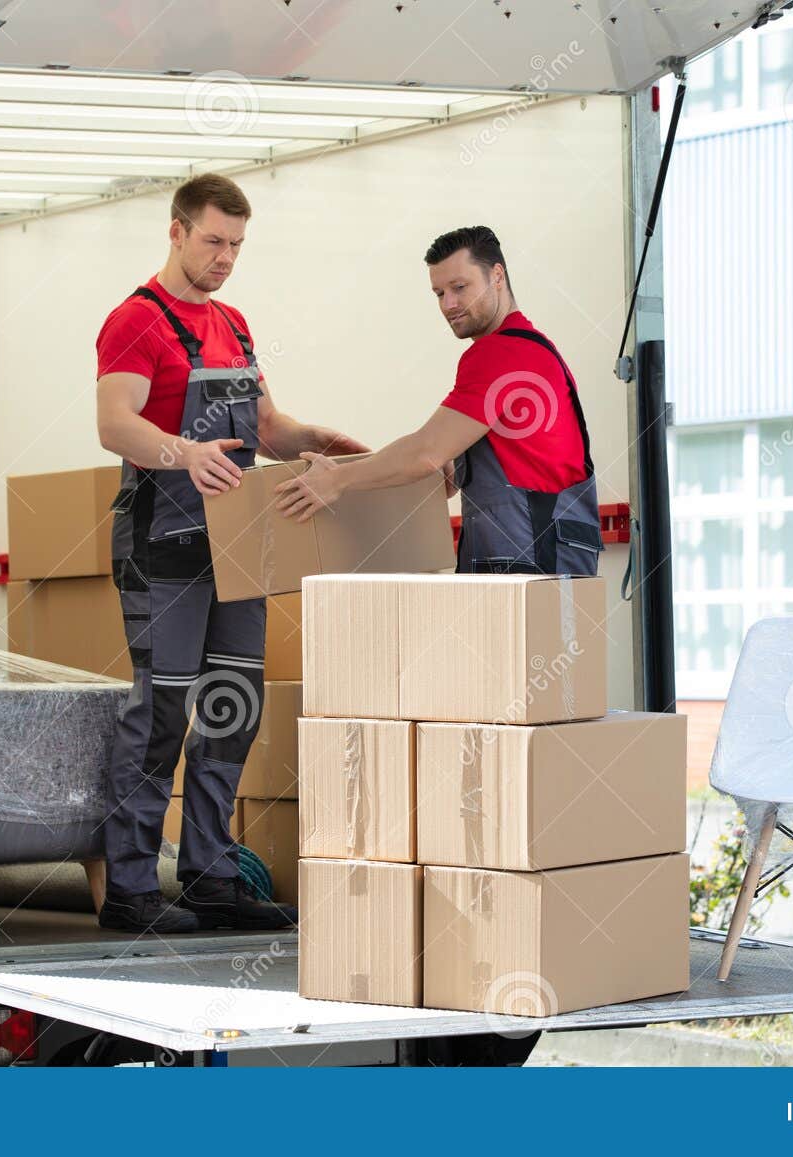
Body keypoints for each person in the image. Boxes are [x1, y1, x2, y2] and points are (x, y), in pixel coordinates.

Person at [94, 174, 367, 933]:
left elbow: (267, 427)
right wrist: (181, 452)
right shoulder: (134, 322)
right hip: (165, 543)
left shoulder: (235, 324)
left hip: (238, 546)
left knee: (232, 706)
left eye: (237, 246)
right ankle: (130, 890)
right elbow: (114, 424)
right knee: (162, 712)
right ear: (176, 231)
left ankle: (210, 873)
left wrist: (317, 440)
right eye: (214, 241)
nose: (225, 258)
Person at [274, 225, 601, 575]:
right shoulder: (533, 349)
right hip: (545, 552)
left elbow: (427, 452)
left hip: (531, 555)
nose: (449, 304)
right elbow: (447, 468)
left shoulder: (502, 352)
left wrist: (336, 480)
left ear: (497, 276)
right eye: (438, 292)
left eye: (460, 288)